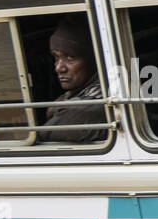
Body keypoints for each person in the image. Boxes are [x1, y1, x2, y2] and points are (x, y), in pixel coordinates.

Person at [37, 16, 107, 144]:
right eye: (56, 58)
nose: (59, 68)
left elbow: (45, 134)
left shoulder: (95, 103)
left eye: (70, 58)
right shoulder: (72, 96)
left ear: (94, 61)